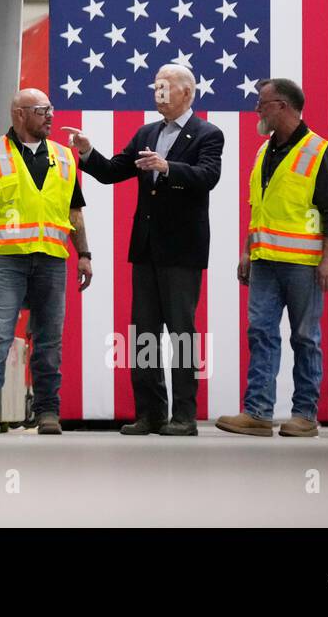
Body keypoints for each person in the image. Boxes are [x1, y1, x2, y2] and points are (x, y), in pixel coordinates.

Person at [65, 64, 223, 436]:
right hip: (147, 248)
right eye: (156, 88)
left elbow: (208, 177)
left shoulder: (207, 134)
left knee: (182, 334)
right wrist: (88, 153)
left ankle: (184, 416)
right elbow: (113, 171)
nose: (158, 94)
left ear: (187, 92)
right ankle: (150, 413)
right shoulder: (147, 132)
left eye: (165, 88)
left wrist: (168, 167)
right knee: (144, 335)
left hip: (183, 249)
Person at [0, 88, 93, 435]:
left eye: (50, 109)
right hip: (7, 261)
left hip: (51, 260)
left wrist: (85, 254)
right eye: (42, 110)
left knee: (49, 341)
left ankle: (48, 413)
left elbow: (73, 212)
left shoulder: (63, 156)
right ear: (19, 114)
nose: (50, 116)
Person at [217, 77, 328, 438]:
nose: (257, 109)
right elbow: (259, 207)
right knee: (261, 333)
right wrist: (247, 250)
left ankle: (304, 415)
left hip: (305, 266)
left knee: (305, 338)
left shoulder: (319, 151)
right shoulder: (263, 151)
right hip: (264, 262)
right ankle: (258, 412)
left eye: (263, 103)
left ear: (283, 107)